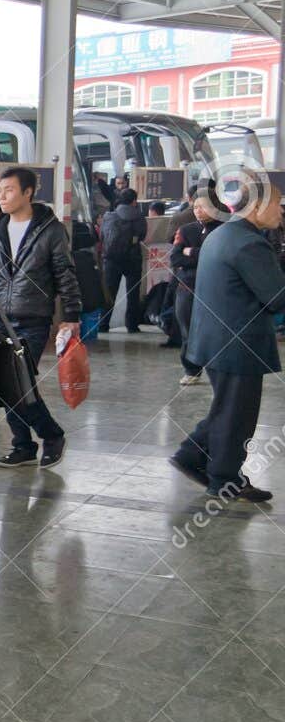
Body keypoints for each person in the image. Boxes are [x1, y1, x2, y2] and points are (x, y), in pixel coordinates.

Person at [171, 181, 285, 502]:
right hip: (239, 342)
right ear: (258, 207)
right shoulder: (249, 243)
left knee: (227, 408)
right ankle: (223, 479)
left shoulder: (223, 234)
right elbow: (277, 297)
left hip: (214, 338)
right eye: (277, 204)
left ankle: (191, 456)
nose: (281, 211)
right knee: (238, 416)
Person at [0, 167, 80, 469]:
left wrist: (71, 314)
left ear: (28, 193)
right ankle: (23, 445)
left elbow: (65, 273)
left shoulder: (50, 230)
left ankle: (51, 436)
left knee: (18, 383)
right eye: (0, 190)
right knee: (5, 384)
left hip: (33, 318)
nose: (2, 196)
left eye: (9, 190)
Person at [171, 195, 226, 386]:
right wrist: (199, 255)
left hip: (215, 289)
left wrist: (192, 251)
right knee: (188, 330)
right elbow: (175, 259)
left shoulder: (224, 230)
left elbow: (220, 258)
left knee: (215, 330)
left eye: (203, 207)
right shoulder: (186, 230)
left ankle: (217, 369)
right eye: (195, 207)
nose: (198, 211)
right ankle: (191, 370)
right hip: (188, 287)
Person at [101, 188, 148, 332]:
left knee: (109, 292)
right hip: (132, 258)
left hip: (111, 259)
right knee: (133, 293)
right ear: (134, 201)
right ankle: (132, 325)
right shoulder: (139, 217)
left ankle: (103, 324)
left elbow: (102, 236)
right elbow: (142, 236)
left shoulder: (109, 216)